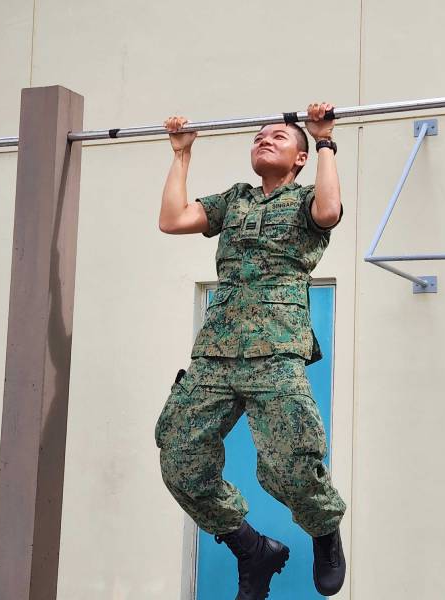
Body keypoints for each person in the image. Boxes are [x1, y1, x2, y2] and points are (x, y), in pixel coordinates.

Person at [155, 102, 347, 599]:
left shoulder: (307, 200)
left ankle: (324, 529)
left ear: (300, 158)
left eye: (279, 138)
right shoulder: (234, 200)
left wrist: (324, 139)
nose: (264, 140)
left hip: (276, 349)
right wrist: (181, 154)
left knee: (291, 460)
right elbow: (173, 219)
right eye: (259, 136)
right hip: (216, 350)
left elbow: (330, 211)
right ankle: (251, 548)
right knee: (178, 455)